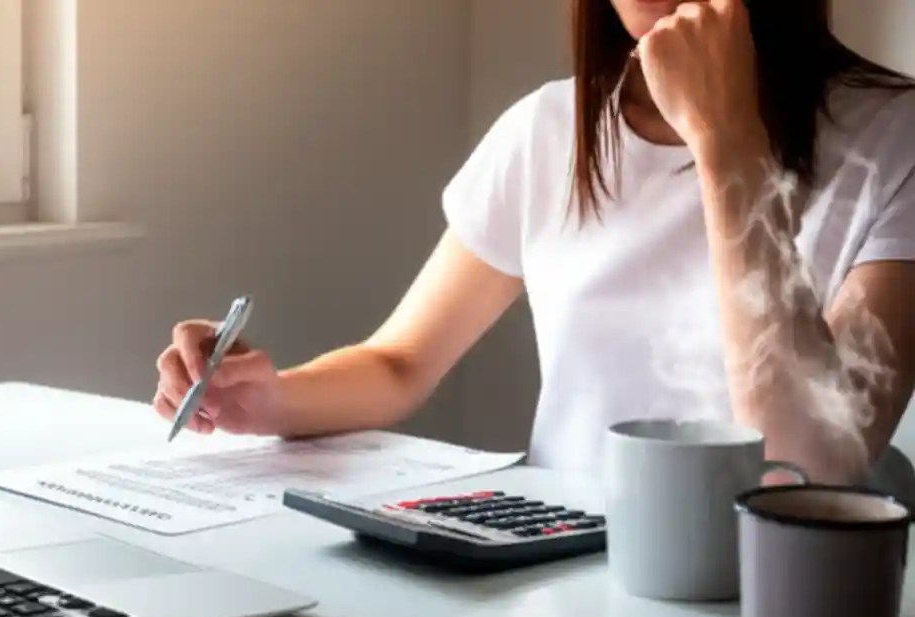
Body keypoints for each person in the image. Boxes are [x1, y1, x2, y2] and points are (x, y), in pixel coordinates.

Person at [153, 0, 915, 486]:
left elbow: (811, 462)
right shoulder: (550, 130)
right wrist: (267, 398)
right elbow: (401, 362)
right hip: (557, 576)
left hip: (768, 592)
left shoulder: (896, 138)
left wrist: (726, 141)